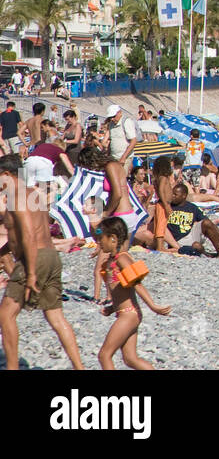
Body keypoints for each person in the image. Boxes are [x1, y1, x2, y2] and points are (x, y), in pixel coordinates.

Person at [0, 153, 85, 369]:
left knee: (6, 315)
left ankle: (11, 367)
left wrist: (30, 273)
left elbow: (27, 234)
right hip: (51, 257)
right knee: (56, 317)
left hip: (33, 259)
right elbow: (34, 232)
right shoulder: (33, 196)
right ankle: (79, 367)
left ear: (7, 175)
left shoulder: (16, 197)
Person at [91, 216, 172, 369]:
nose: (99, 242)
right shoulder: (111, 260)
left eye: (101, 239)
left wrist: (153, 306)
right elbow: (122, 291)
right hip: (126, 313)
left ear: (113, 238)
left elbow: (136, 284)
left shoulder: (122, 259)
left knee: (104, 355)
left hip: (128, 314)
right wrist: (112, 307)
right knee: (130, 358)